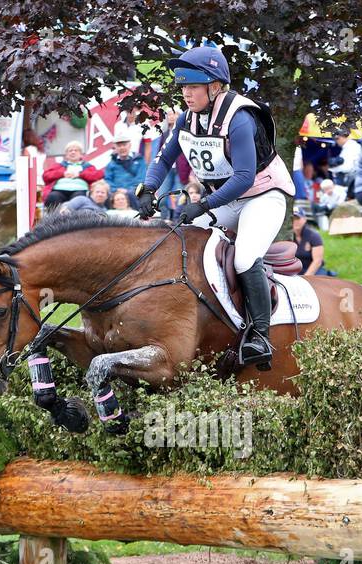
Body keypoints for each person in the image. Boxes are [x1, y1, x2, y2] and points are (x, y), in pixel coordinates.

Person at [135, 44, 295, 370]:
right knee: (180, 242)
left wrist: (203, 204)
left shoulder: (240, 119)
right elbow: (165, 158)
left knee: (246, 255)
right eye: (183, 87)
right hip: (227, 199)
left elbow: (244, 177)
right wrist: (148, 188)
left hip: (262, 197)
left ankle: (259, 336)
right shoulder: (187, 119)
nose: (186, 94)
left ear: (215, 85)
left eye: (193, 87)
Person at [42, 141, 103, 211]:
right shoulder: (59, 166)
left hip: (79, 190)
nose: (73, 152)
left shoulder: (87, 166)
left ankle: (72, 220)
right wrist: (63, 173)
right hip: (59, 190)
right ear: (66, 155)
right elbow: (46, 176)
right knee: (52, 197)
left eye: (76, 150)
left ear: (81, 154)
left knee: (78, 199)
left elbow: (98, 175)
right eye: (70, 151)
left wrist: (80, 174)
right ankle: (55, 220)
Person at [103, 125, 146, 208]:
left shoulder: (139, 160)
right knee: (105, 196)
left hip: (133, 190)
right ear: (115, 148)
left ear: (129, 145)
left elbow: (141, 178)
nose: (122, 148)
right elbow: (107, 179)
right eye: (119, 146)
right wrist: (116, 190)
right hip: (115, 190)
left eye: (124, 145)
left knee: (132, 194)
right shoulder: (111, 163)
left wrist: (128, 190)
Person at [291, 203, 333, 276]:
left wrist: (306, 276)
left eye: (298, 218)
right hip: (296, 271)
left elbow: (317, 261)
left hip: (315, 270)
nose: (295, 221)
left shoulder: (313, 236)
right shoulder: (287, 237)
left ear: (304, 219)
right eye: (293, 219)